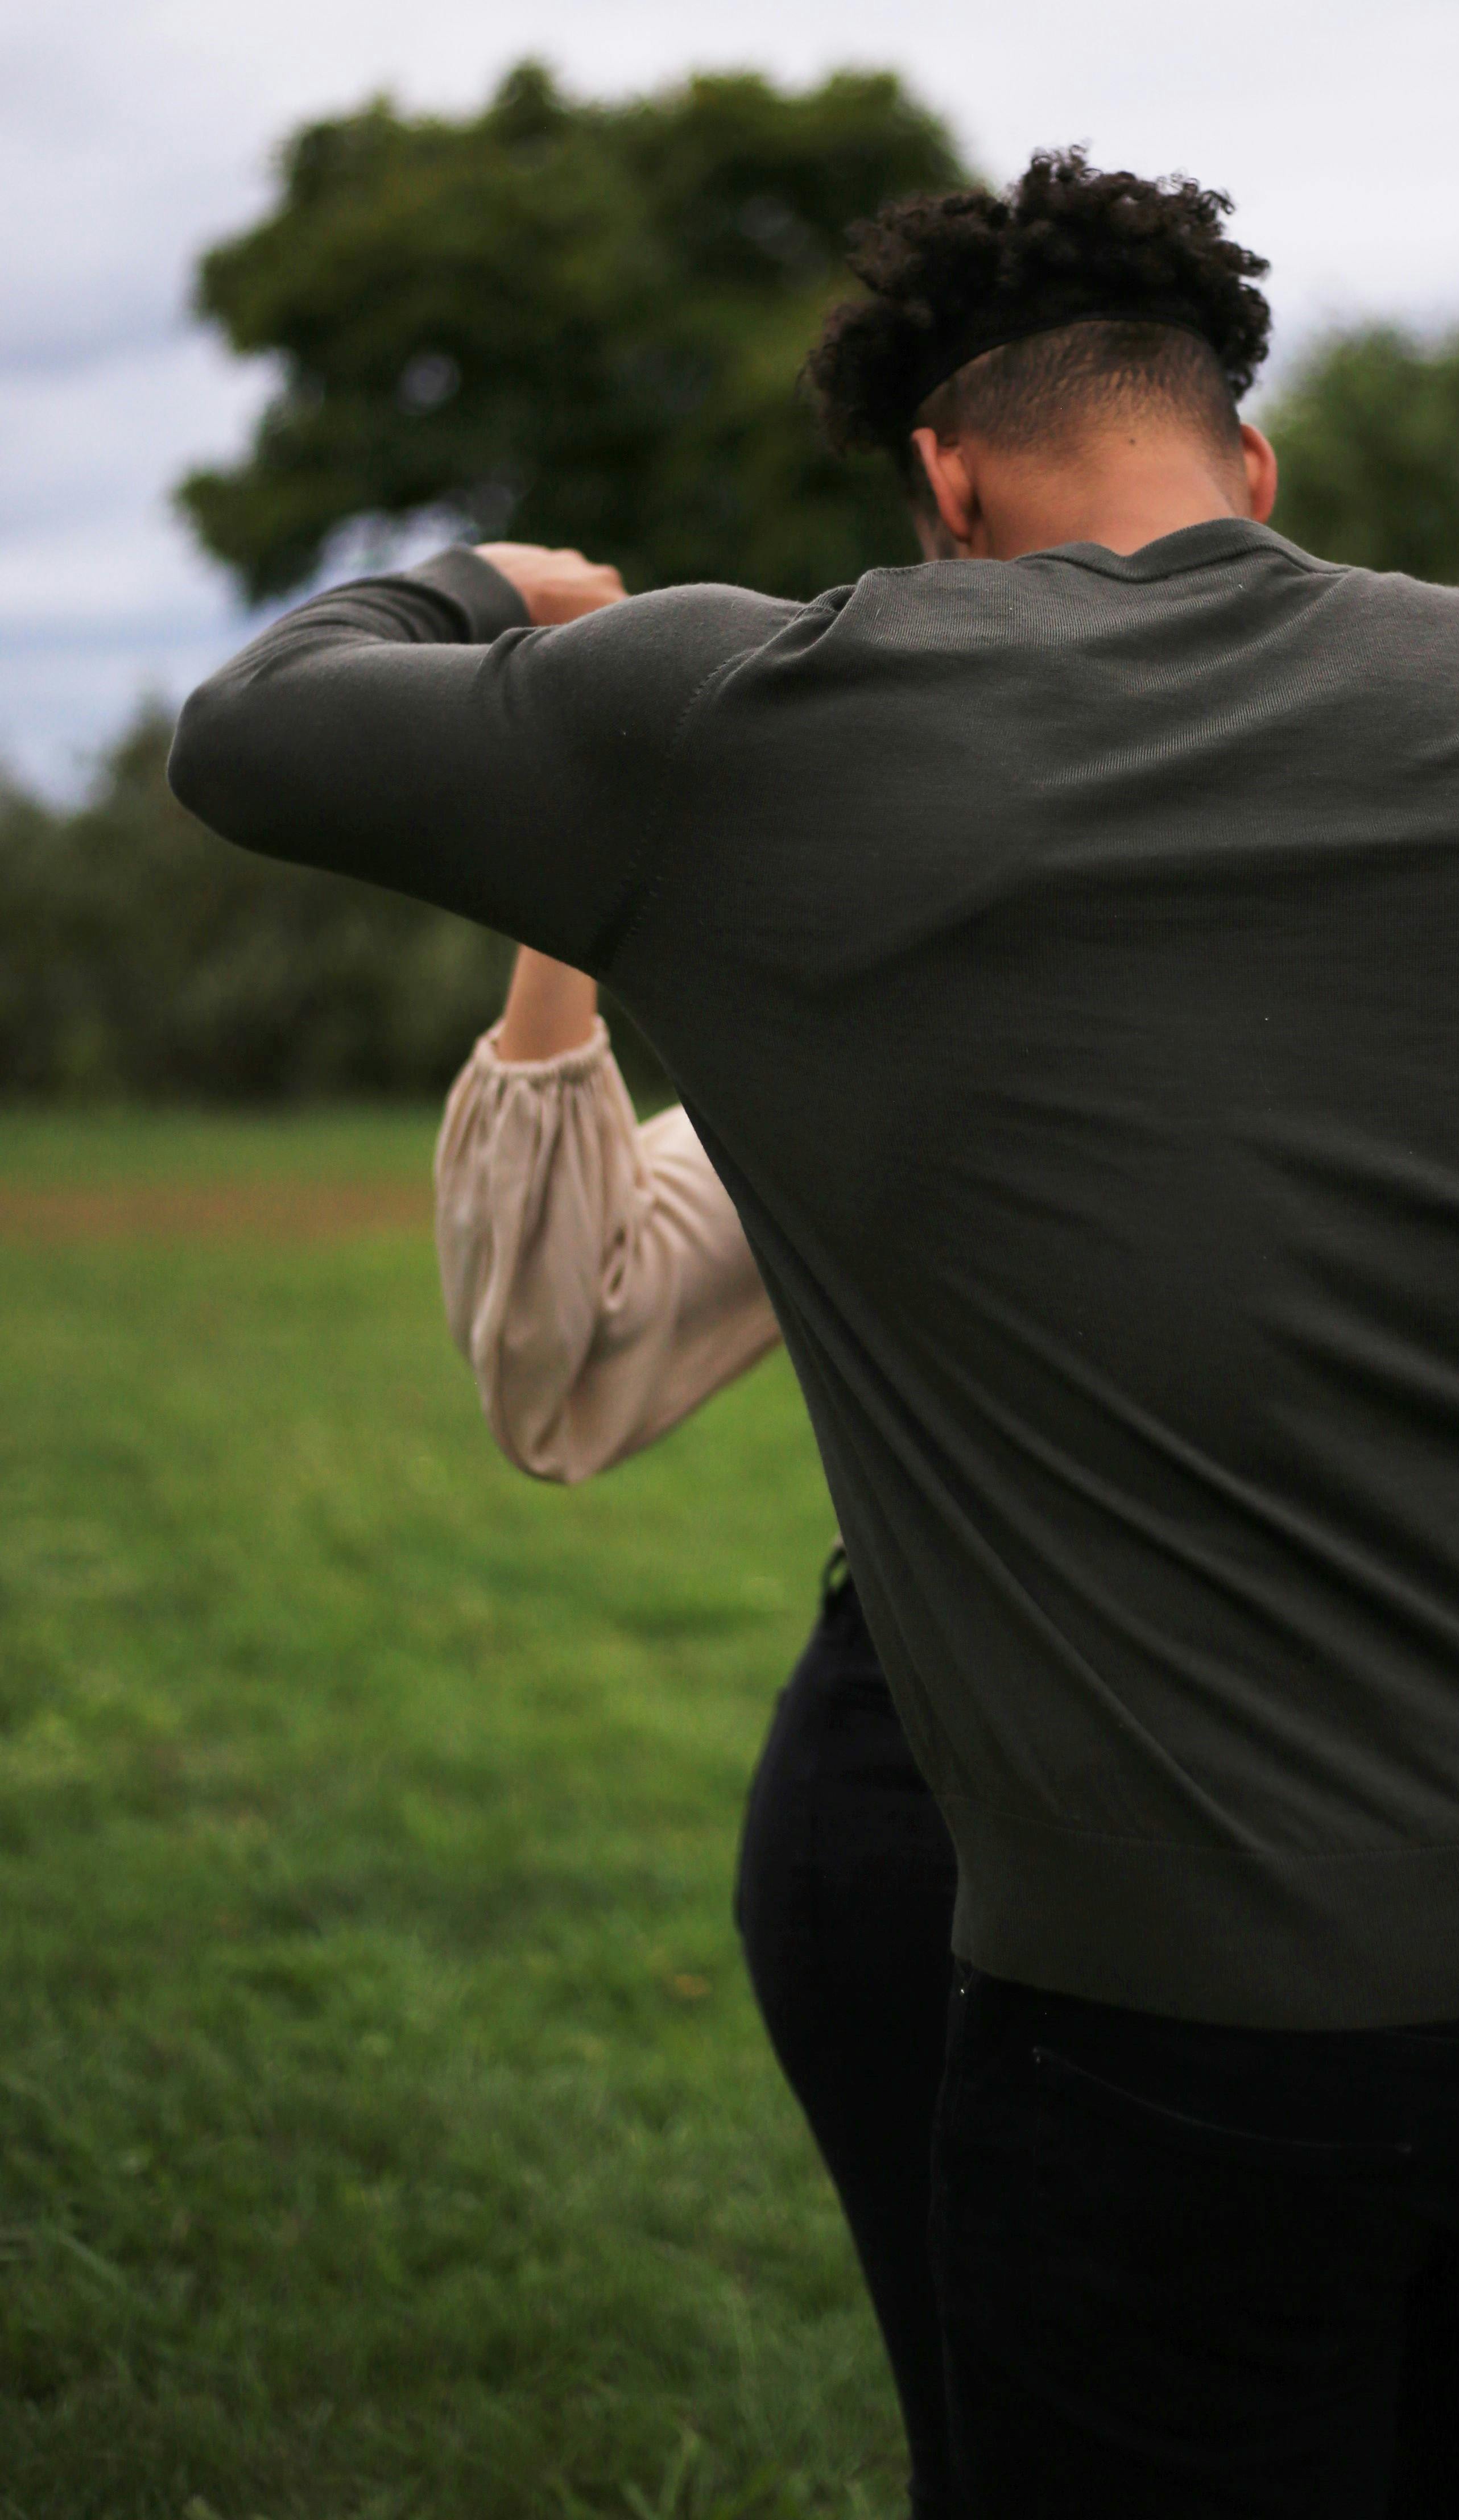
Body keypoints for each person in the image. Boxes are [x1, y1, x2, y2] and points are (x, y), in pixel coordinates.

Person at [170, 148, 1459, 2518]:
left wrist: (494, 591)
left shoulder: (747, 712)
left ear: (943, 480)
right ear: (1248, 460)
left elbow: (254, 728)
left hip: (1167, 2022)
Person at [435, 937, 960, 2515]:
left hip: (1413, 1809)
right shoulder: (917, 1006)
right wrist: (575, 854)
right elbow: (567, 1339)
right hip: (947, 1822)